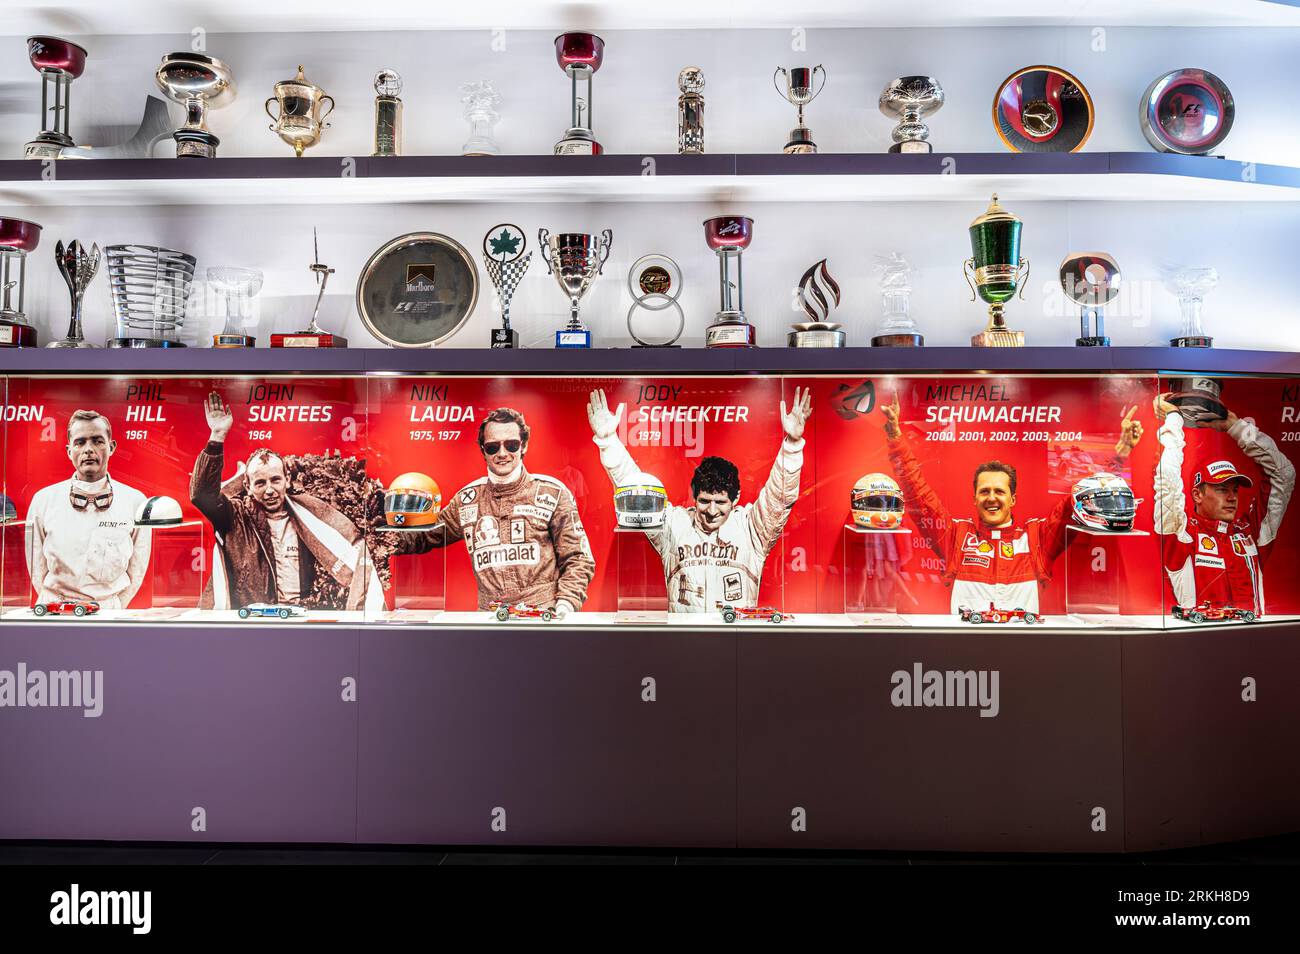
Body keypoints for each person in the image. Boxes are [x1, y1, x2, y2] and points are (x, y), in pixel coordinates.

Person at [880, 394, 1143, 614]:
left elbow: (1083, 496)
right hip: (964, 656)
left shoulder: (1037, 539)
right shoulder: (956, 537)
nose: (991, 498)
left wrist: (1119, 456)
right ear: (974, 498)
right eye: (984, 491)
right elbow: (918, 494)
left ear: (1012, 498)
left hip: (1021, 657)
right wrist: (896, 439)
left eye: (999, 491)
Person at [586, 386, 811, 613]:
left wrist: (792, 446)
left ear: (736, 500)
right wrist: (608, 442)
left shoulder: (751, 528)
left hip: (736, 640)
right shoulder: (674, 525)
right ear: (693, 497)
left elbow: (778, 497)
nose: (712, 510)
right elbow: (636, 490)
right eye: (704, 501)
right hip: (683, 640)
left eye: (721, 502)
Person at [386, 407, 595, 614]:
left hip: (543, 615)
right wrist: (374, 528)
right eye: (493, 447)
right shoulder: (467, 500)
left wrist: (566, 605)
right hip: (489, 618)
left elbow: (578, 558)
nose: (503, 453)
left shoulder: (553, 493)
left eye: (511, 445)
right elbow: (422, 537)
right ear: (483, 450)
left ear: (524, 446)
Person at [191, 392, 382, 611]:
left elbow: (352, 546)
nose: (270, 490)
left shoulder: (310, 513)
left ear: (287, 480)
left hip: (303, 616)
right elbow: (201, 494)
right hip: (255, 619)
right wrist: (216, 437)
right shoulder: (234, 517)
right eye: (260, 483)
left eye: (275, 480)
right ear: (248, 486)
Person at [1152, 393, 1294, 615]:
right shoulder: (1181, 533)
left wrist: (1234, 426)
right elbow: (1167, 482)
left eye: (1235, 489)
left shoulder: (1251, 533)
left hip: (1257, 644)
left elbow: (1283, 475)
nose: (1232, 497)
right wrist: (1174, 419)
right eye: (1221, 489)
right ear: (1197, 495)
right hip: (1198, 644)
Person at [25, 409, 151, 609]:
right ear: (69, 451)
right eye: (80, 442)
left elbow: (138, 568)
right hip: (55, 612)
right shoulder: (43, 500)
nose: (88, 449)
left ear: (111, 447)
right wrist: (56, 607)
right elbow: (36, 568)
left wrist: (114, 606)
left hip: (109, 613)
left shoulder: (135, 501)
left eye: (97, 441)